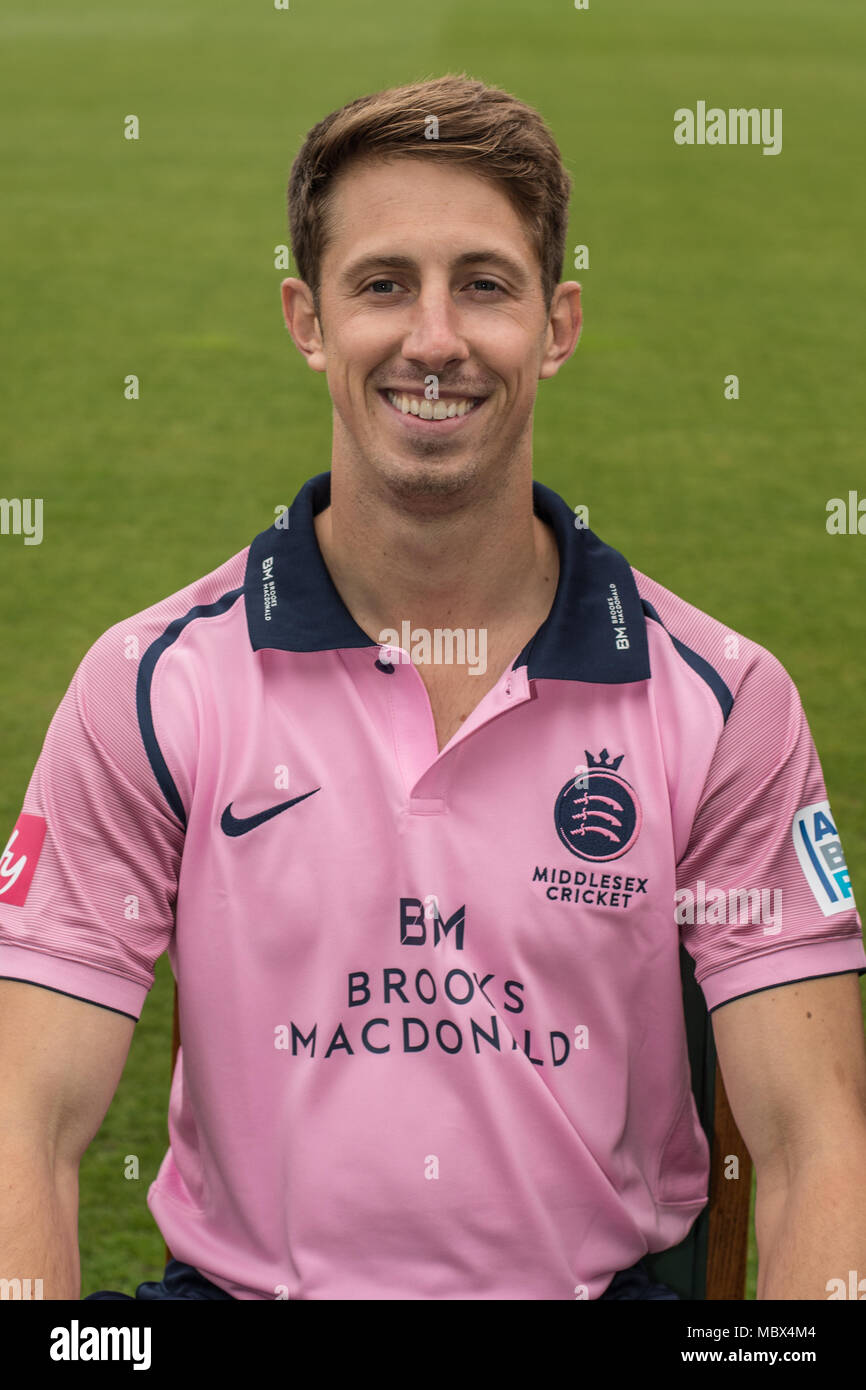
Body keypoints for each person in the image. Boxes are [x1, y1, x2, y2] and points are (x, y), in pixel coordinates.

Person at [2, 74, 865, 1303]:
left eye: (484, 284)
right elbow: (21, 1122)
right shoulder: (151, 683)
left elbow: (813, 1140)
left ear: (556, 325)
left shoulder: (724, 701)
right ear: (305, 319)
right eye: (382, 284)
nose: (434, 341)